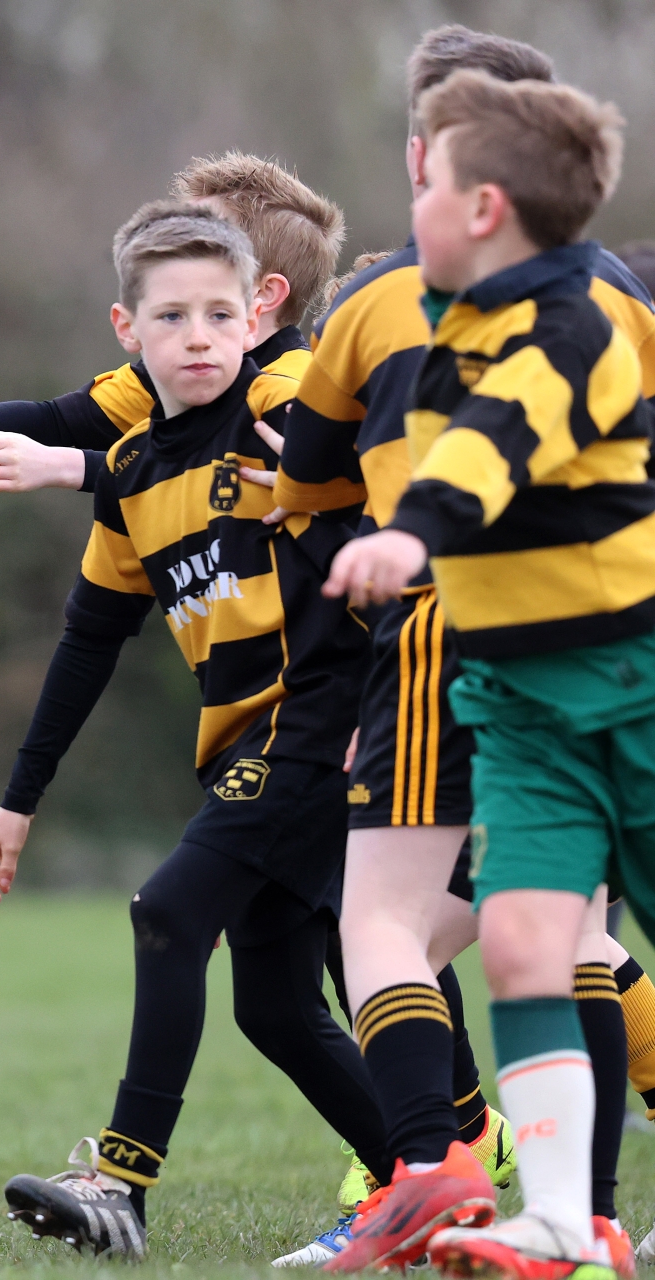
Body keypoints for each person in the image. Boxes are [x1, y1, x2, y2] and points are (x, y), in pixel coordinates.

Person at [265, 26, 655, 1271]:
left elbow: (498, 440)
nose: (406, 192)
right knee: (537, 942)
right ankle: (562, 1220)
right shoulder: (448, 308)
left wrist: (410, 528)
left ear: (484, 204)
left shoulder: (579, 318)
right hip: (517, 687)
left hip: (617, 680)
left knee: (537, 934)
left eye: (425, 174)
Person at [0, 202, 391, 1261]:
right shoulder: (138, 471)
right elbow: (86, 642)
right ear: (126, 332)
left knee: (167, 911)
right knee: (275, 1010)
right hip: (248, 751)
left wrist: (70, 467)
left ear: (257, 319)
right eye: (172, 316)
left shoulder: (281, 396)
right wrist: (18, 802)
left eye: (221, 314)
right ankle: (429, 1179)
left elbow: (356, 442)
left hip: (322, 723)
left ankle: (121, 1184)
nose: (199, 337)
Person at [0, 151, 344, 497]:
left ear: (263, 294)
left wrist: (66, 467)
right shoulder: (172, 370)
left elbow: (199, 479)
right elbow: (64, 421)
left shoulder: (298, 394)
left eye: (201, 241)